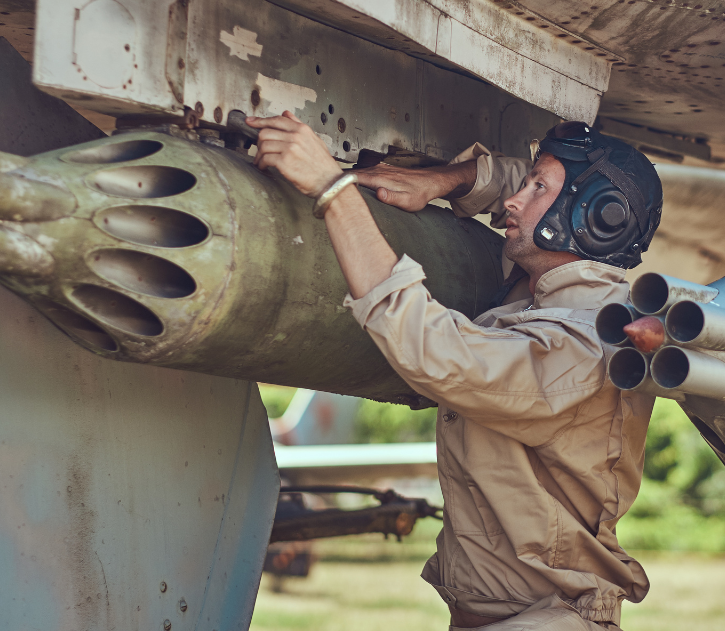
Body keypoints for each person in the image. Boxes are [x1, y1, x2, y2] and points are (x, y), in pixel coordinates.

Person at [246, 112, 665, 631]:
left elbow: (434, 351)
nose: (514, 199)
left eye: (539, 189)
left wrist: (333, 189)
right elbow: (518, 183)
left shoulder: (583, 343)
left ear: (594, 217)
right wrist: (442, 180)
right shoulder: (545, 286)